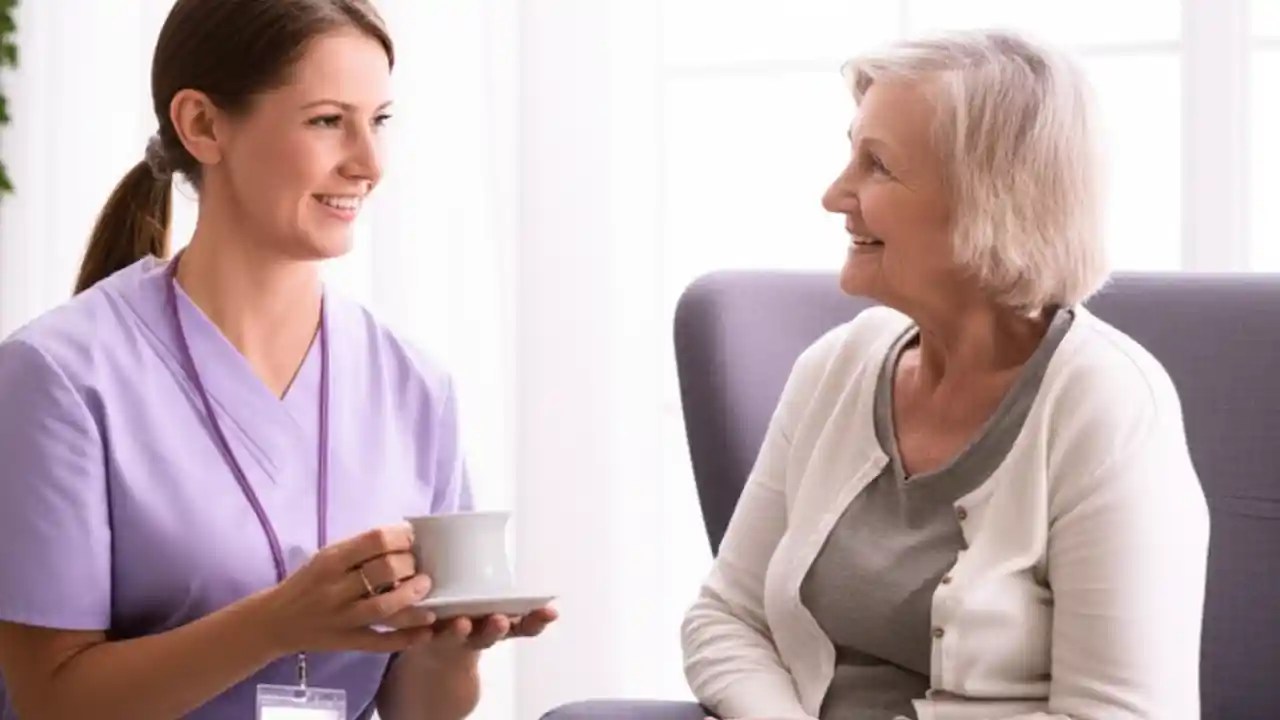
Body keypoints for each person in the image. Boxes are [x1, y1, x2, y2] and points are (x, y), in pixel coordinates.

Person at [0, 1, 554, 718]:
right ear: (203, 125)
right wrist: (276, 624)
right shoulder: (57, 378)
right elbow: (51, 700)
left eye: (379, 120)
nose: (369, 164)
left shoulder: (415, 386)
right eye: (326, 121)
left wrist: (450, 649)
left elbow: (417, 710)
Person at [681, 30, 1209, 720]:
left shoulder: (1105, 402)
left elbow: (1120, 713)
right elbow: (726, 618)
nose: (835, 195)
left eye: (877, 166)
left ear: (993, 199)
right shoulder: (837, 366)